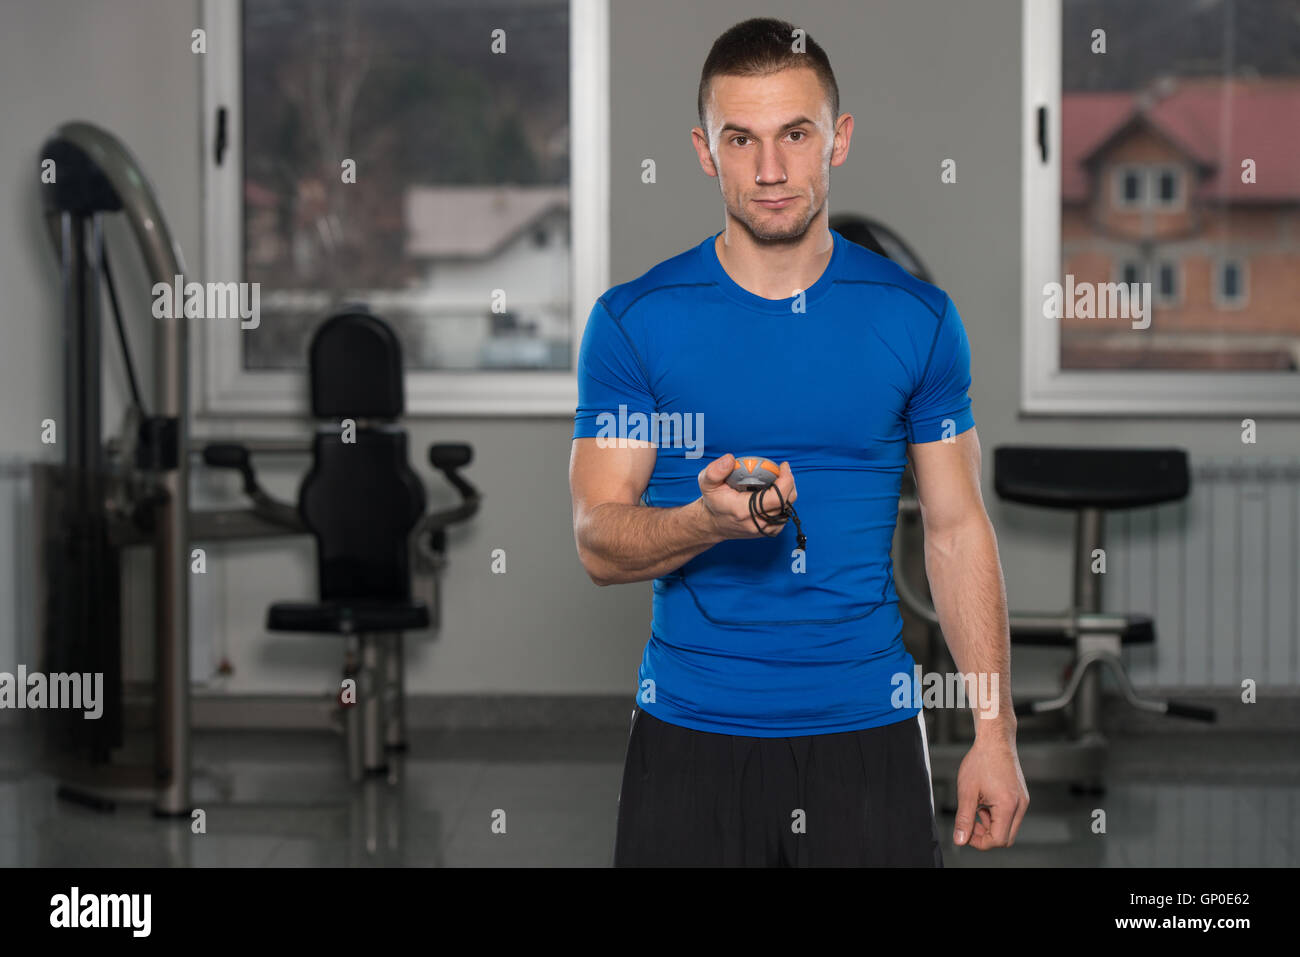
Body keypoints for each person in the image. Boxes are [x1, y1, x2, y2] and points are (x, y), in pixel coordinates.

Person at [568, 16, 1028, 867]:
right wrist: (702, 523)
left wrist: (995, 732)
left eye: (796, 134)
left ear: (838, 139)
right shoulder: (634, 323)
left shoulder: (917, 319)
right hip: (688, 735)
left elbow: (957, 528)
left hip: (867, 733)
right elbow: (599, 540)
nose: (770, 170)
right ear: (705, 150)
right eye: (740, 138)